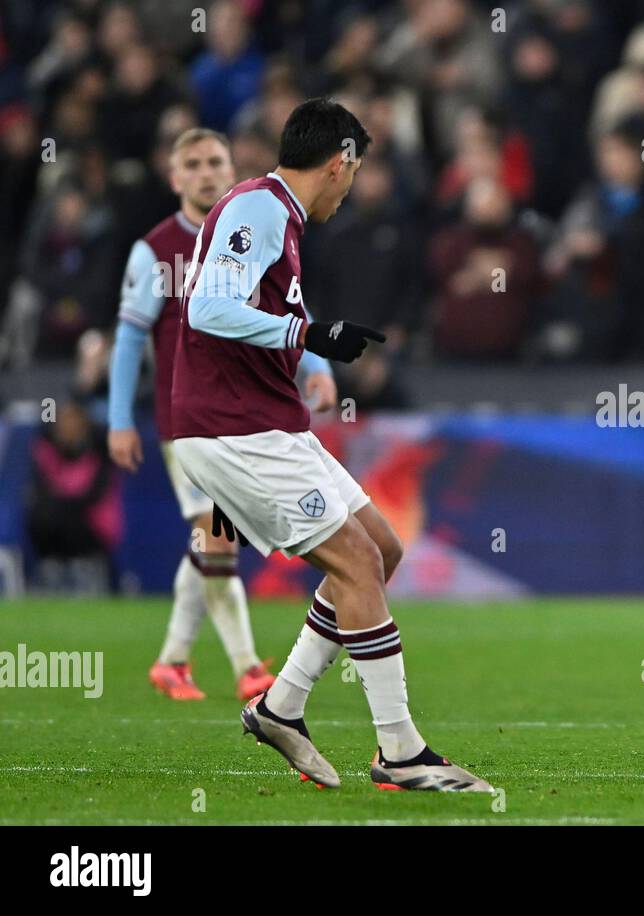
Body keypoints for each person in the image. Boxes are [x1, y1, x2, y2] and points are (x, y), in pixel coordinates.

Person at [171, 98, 490, 792]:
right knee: (354, 561)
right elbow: (206, 307)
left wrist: (312, 358)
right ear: (340, 161)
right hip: (233, 427)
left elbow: (270, 309)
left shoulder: (277, 217)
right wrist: (308, 339)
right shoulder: (259, 206)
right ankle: (400, 750)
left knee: (383, 548)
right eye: (355, 171)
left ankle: (281, 707)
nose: (349, 188)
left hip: (269, 420)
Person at [107, 127, 333, 701]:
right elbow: (130, 340)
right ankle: (245, 667)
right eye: (194, 164)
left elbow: (279, 310)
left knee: (211, 540)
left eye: (217, 161)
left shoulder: (248, 232)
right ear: (175, 176)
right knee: (218, 536)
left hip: (243, 413)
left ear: (232, 168)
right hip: (188, 417)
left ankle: (173, 660)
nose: (207, 172)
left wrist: (317, 365)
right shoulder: (154, 250)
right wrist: (118, 418)